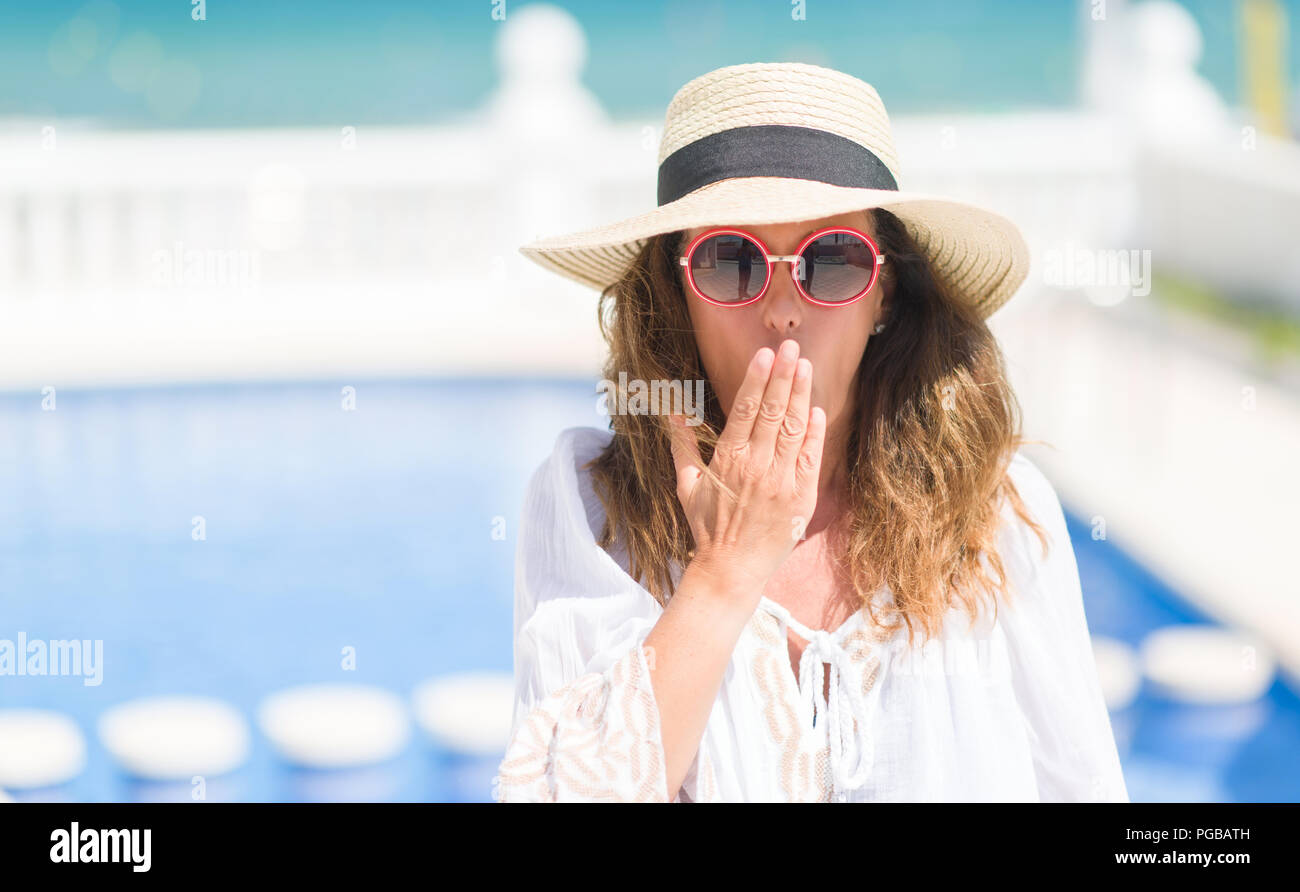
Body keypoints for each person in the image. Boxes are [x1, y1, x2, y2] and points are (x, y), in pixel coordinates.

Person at [496, 61, 1128, 803]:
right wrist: (723, 573)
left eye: (832, 261)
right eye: (731, 262)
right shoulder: (592, 510)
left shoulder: (998, 513)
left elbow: (1081, 785)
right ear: (677, 293)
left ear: (884, 290)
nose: (783, 309)